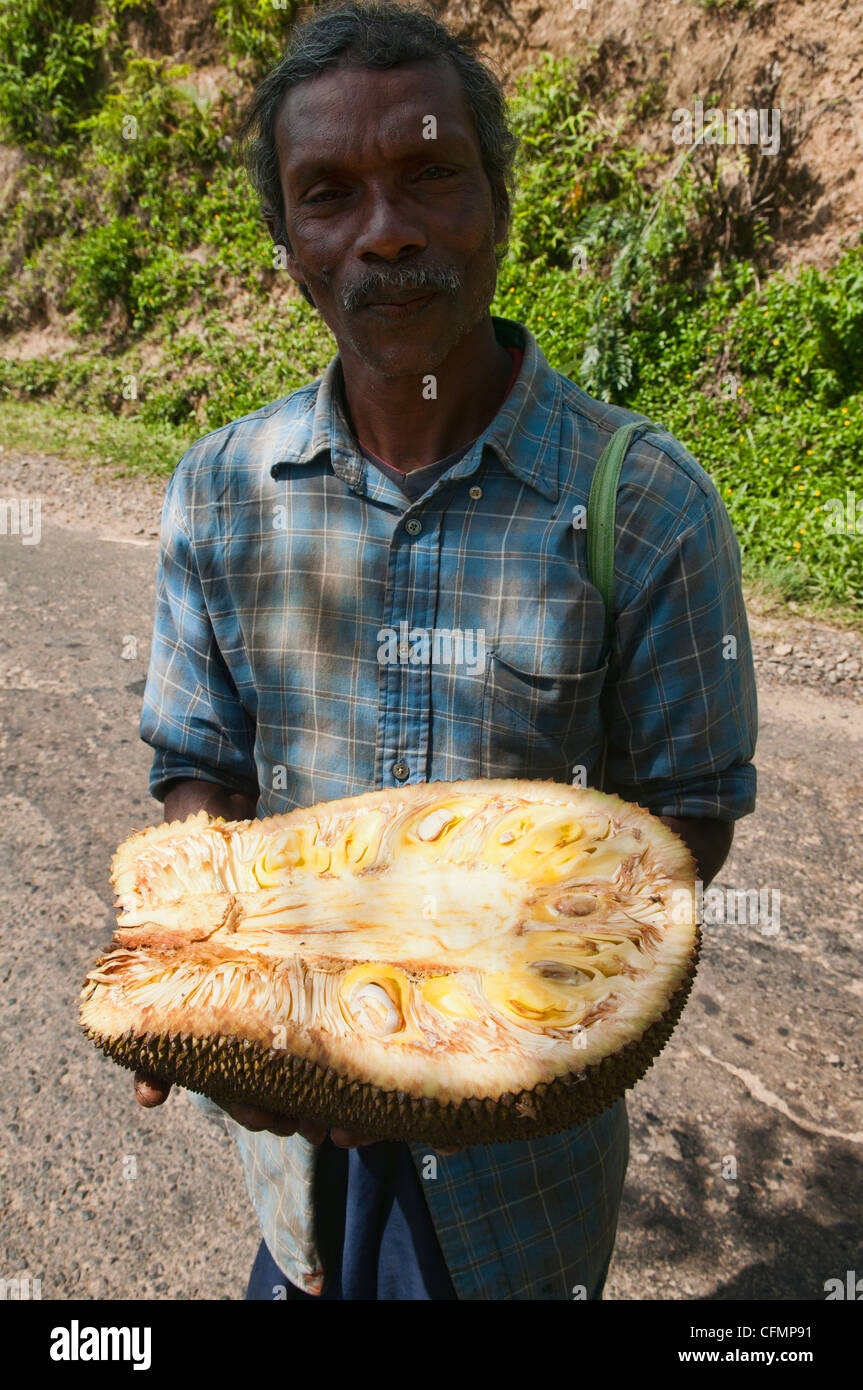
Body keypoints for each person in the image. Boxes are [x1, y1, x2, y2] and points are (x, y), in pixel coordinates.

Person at [134, 0, 757, 1300]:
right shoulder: (220, 489)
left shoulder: (642, 506)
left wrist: (468, 1025)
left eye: (428, 175)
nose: (388, 230)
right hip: (298, 1174)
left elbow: (685, 817)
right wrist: (201, 944)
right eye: (329, 194)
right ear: (290, 242)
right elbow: (201, 762)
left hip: (518, 1191)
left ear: (498, 203)